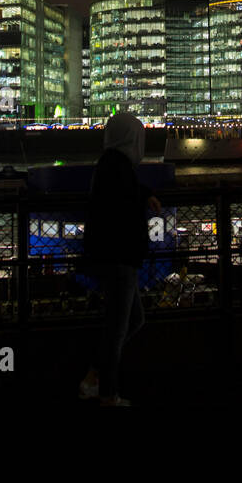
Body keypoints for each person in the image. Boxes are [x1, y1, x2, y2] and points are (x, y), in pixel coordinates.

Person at [77, 112, 161, 406]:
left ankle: (92, 378)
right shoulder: (116, 166)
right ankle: (106, 394)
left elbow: (124, 195)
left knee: (132, 319)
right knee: (117, 329)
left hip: (115, 256)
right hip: (119, 258)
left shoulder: (113, 165)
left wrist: (144, 194)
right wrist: (144, 197)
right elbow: (121, 204)